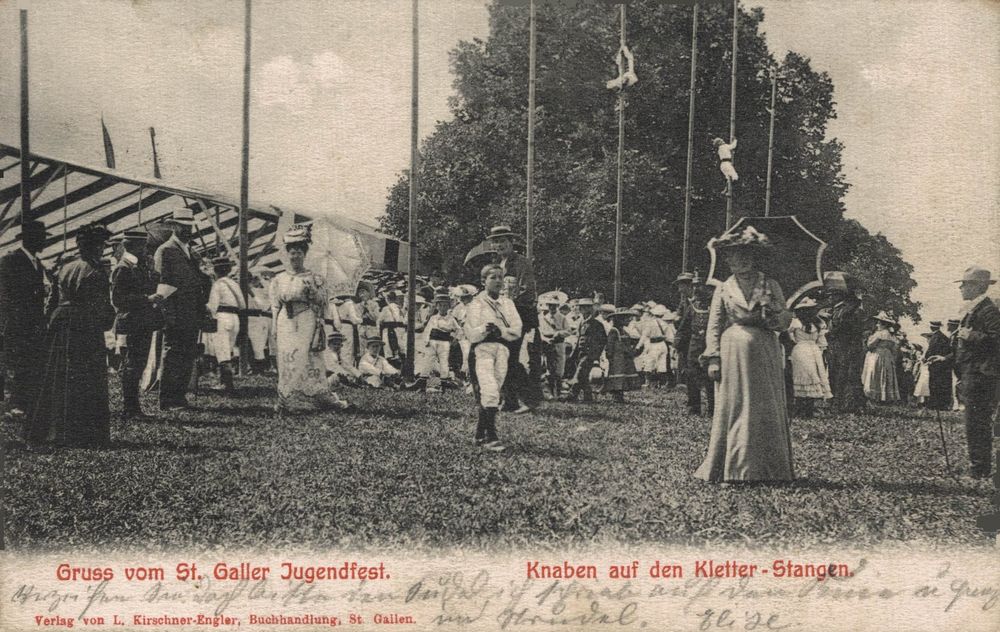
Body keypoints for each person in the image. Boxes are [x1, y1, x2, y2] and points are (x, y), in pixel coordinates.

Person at [694, 226, 794, 483]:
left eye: (747, 255)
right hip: (733, 351)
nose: (741, 261)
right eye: (735, 256)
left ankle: (768, 470)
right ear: (727, 260)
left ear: (755, 257)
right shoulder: (724, 288)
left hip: (764, 350)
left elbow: (785, 321)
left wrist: (772, 312)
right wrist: (713, 357)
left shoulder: (770, 285)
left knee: (764, 407)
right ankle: (732, 468)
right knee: (736, 405)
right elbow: (714, 325)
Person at [27, 223, 115, 449]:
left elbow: (53, 301)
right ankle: (82, 433)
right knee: (85, 378)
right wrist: (107, 320)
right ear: (96, 247)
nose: (103, 249)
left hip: (61, 323)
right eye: (102, 245)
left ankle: (51, 430)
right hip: (84, 326)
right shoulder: (96, 272)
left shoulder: (66, 267)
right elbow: (102, 308)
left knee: (56, 376)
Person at [269, 224, 341, 412]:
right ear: (287, 255)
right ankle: (286, 396)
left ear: (304, 254)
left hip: (306, 319)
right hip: (285, 319)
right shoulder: (279, 279)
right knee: (286, 358)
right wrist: (274, 325)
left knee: (305, 357)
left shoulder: (314, 278)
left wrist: (313, 294)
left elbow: (323, 302)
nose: (295, 256)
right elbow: (275, 304)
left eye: (299, 252)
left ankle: (312, 395)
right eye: (292, 253)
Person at [152, 208, 210, 411]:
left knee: (187, 354)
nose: (187, 230)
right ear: (173, 227)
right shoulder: (165, 251)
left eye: (189, 227)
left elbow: (198, 282)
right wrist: (168, 314)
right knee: (173, 353)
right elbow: (161, 284)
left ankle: (180, 397)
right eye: (183, 226)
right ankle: (168, 399)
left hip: (191, 312)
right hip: (176, 311)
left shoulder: (191, 252)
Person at [465, 264, 522, 451]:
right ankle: (491, 437)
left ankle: (479, 434)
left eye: (500, 277)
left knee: (494, 391)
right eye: (493, 278)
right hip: (482, 349)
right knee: (488, 389)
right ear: (483, 281)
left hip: (502, 349)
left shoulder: (508, 304)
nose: (498, 281)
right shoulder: (476, 304)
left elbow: (517, 330)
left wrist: (501, 331)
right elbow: (470, 332)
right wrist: (484, 329)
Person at [952, 266, 1000, 478]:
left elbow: (996, 340)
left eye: (966, 284)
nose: (961, 287)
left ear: (978, 286)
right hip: (973, 371)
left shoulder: (988, 310)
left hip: (981, 374)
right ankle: (978, 466)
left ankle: (979, 468)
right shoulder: (975, 308)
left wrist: (971, 336)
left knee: (976, 421)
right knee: (973, 420)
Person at [0, 219, 49, 420]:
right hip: (17, 323)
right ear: (31, 239)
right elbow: (4, 294)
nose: (45, 242)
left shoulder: (36, 262)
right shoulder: (11, 260)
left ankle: (24, 403)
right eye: (42, 237)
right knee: (17, 363)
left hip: (33, 323)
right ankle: (14, 405)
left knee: (29, 363)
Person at [489, 225, 541, 412]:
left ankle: (529, 399)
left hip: (519, 316)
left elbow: (527, 290)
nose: (499, 245)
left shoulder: (521, 262)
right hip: (501, 318)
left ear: (511, 242)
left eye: (502, 241)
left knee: (511, 358)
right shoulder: (497, 265)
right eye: (495, 241)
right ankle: (510, 400)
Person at [110, 229, 160, 419]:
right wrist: (147, 299)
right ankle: (130, 408)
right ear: (134, 246)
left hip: (141, 321)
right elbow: (118, 299)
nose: (145, 249)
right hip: (132, 321)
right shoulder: (124, 267)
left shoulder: (138, 266)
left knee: (137, 364)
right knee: (132, 365)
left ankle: (133, 407)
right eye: (143, 246)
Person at [822, 271, 867, 414]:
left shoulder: (848, 309)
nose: (830, 299)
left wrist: (830, 332)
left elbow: (847, 328)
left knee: (846, 375)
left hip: (846, 346)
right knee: (837, 373)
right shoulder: (839, 309)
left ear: (839, 296)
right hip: (838, 346)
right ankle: (842, 403)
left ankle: (848, 404)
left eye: (832, 296)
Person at [206, 256, 246, 393]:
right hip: (235, 318)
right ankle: (226, 382)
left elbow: (212, 306)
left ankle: (227, 385)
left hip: (222, 318)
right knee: (228, 349)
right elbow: (243, 305)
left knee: (222, 352)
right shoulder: (234, 284)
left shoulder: (218, 284)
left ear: (216, 270)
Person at [787, 298, 832, 418]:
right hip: (814, 351)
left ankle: (801, 409)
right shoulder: (818, 323)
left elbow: (791, 339)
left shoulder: (795, 323)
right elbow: (822, 343)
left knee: (801, 376)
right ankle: (809, 410)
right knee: (813, 376)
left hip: (800, 350)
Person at [682, 277, 715, 416]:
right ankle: (694, 407)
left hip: (711, 345)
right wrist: (677, 345)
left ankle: (713, 409)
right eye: (694, 286)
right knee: (692, 376)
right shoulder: (692, 306)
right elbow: (684, 328)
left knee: (711, 377)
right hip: (694, 346)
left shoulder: (716, 305)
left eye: (700, 286)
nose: (696, 289)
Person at [563, 298, 606, 403]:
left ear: (590, 309)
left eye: (586, 307)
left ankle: (572, 395)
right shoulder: (582, 322)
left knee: (580, 372)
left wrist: (596, 354)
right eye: (581, 307)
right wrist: (574, 352)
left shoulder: (596, 324)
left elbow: (603, 340)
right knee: (584, 376)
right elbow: (579, 339)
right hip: (581, 352)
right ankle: (588, 397)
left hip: (589, 353)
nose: (582, 309)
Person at [604, 308, 642, 403]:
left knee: (623, 375)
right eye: (626, 319)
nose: (629, 320)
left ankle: (619, 395)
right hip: (617, 358)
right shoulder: (614, 331)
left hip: (624, 358)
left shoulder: (623, 331)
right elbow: (610, 345)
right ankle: (616, 395)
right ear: (620, 319)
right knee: (617, 375)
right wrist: (610, 355)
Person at [422, 289, 461, 382]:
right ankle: (424, 376)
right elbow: (427, 330)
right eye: (440, 305)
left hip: (444, 341)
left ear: (448, 307)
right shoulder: (433, 318)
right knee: (429, 358)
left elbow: (459, 330)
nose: (442, 308)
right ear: (437, 306)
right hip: (433, 340)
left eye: (445, 305)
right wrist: (426, 340)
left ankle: (445, 377)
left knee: (444, 359)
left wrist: (456, 339)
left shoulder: (451, 319)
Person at [862, 313, 900, 404]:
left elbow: (870, 345)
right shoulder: (891, 336)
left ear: (884, 324)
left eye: (878, 323)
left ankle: (874, 396)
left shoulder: (879, 334)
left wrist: (867, 342)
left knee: (875, 373)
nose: (877, 325)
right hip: (888, 356)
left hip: (877, 355)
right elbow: (895, 349)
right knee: (885, 374)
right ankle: (884, 396)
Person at [538, 293, 570, 399]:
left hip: (559, 344)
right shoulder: (543, 318)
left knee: (559, 369)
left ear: (558, 306)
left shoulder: (562, 318)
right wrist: (546, 339)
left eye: (554, 305)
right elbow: (540, 332)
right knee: (549, 368)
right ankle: (550, 392)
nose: (552, 307)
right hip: (548, 344)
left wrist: (559, 333)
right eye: (550, 305)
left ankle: (560, 391)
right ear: (547, 306)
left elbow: (569, 331)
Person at [247, 266, 274, 374]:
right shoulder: (250, 290)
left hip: (258, 317)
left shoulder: (261, 289)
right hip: (252, 317)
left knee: (258, 343)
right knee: (254, 343)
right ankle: (254, 367)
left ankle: (259, 368)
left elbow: (261, 304)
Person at [922, 321, 954, 412]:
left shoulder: (934, 337)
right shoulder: (945, 337)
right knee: (943, 384)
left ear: (931, 327)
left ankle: (934, 404)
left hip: (936, 363)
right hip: (944, 363)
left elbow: (930, 350)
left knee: (934, 384)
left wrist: (926, 358)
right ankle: (943, 404)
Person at [639, 305, 671, 388]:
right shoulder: (665, 323)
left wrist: (638, 346)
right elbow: (670, 337)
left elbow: (644, 335)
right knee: (662, 364)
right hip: (663, 344)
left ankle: (648, 382)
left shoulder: (650, 323)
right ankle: (662, 383)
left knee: (649, 363)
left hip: (653, 344)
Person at [379, 290, 406, 368]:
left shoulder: (386, 308)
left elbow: (380, 320)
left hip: (388, 329)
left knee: (388, 350)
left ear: (387, 299)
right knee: (399, 348)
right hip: (399, 330)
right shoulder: (400, 309)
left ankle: (392, 367)